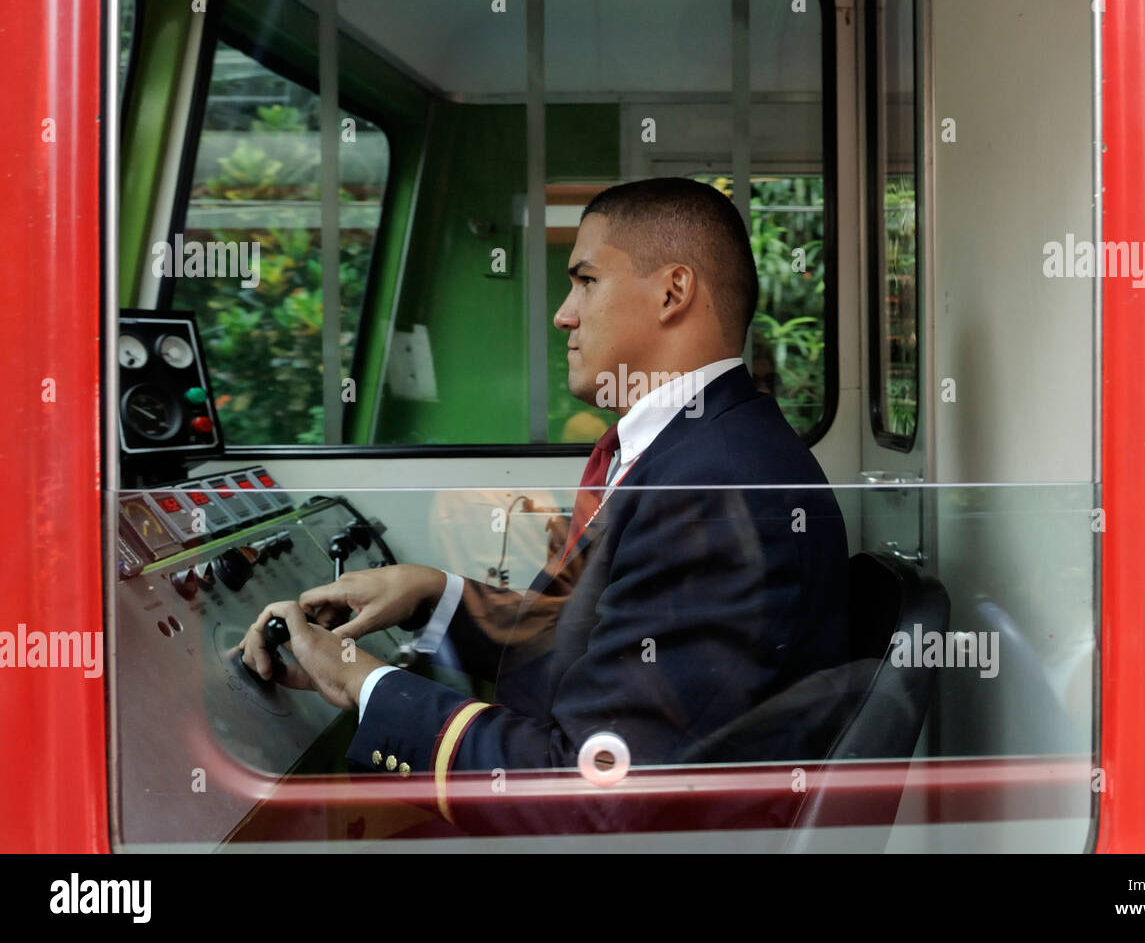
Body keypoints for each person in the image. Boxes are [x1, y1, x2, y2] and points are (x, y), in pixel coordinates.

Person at [239, 177, 853, 796]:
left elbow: (590, 792)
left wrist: (359, 681)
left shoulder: (710, 491)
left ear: (673, 292)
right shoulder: (699, 448)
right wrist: (434, 593)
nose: (564, 314)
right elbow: (599, 641)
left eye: (585, 280)